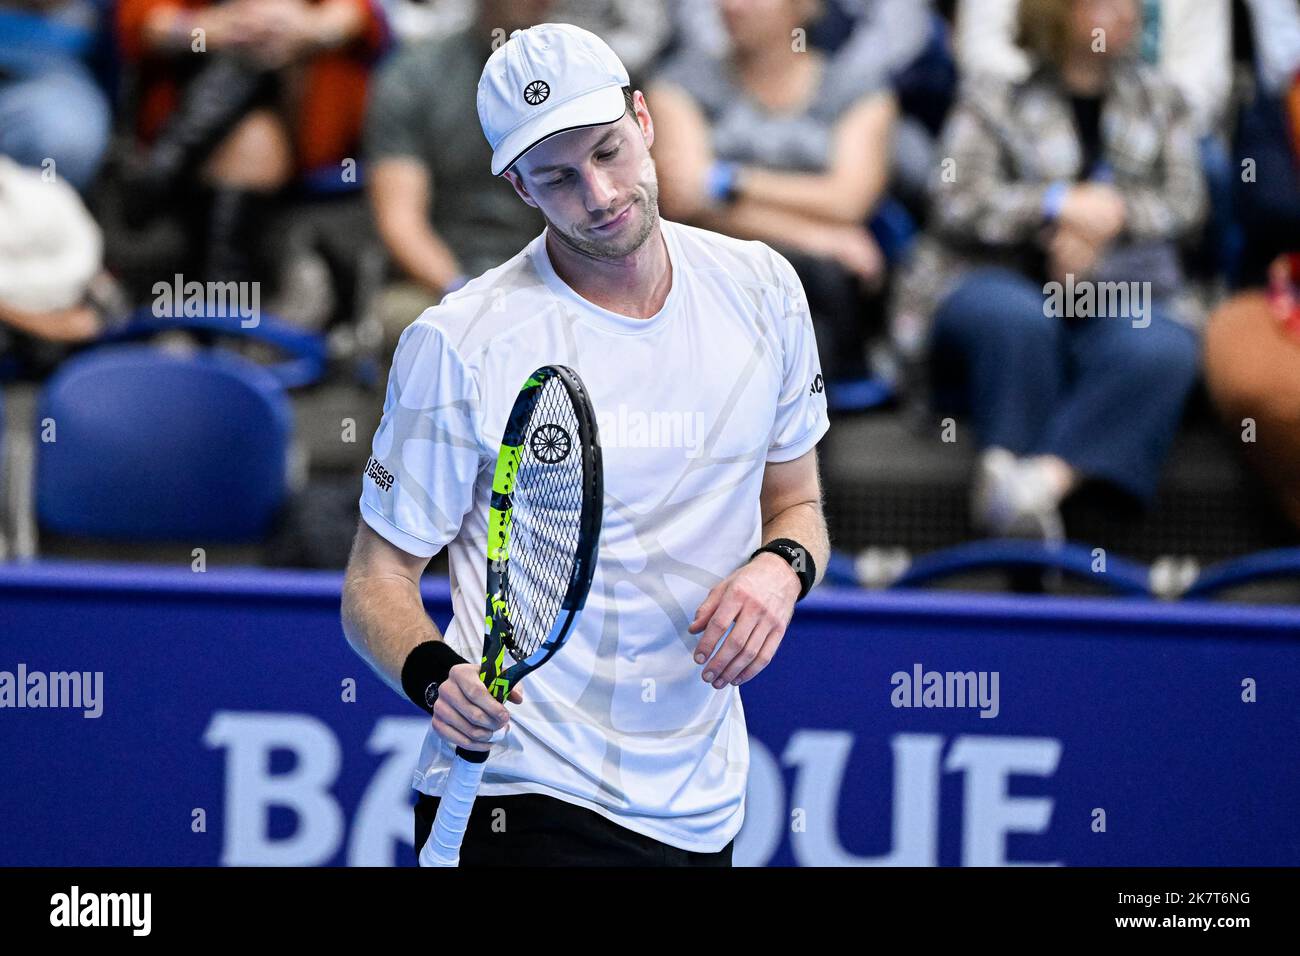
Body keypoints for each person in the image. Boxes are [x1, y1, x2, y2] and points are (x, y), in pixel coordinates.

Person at [341, 22, 831, 866]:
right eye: (559, 177)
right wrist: (432, 674)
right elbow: (375, 582)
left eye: (608, 152)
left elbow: (798, 504)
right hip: (523, 786)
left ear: (644, 119)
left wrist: (779, 570)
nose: (600, 193)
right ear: (520, 191)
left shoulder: (765, 290)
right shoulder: (458, 341)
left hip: (701, 797)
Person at [891, 0, 1205, 540]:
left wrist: (1113, 218)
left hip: (1113, 288)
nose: (1126, 13)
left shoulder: (1162, 100)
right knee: (1017, 318)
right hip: (994, 277)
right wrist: (1056, 207)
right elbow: (954, 199)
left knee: (1163, 346)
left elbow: (1187, 204)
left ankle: (1030, 485)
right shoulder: (993, 96)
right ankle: (1023, 501)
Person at [647, 0, 897, 384]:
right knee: (792, 285)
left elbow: (848, 200)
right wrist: (814, 235)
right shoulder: (679, 82)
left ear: (803, 7)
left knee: (808, 294)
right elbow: (681, 198)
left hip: (826, 287)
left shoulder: (856, 88)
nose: (731, 7)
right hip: (716, 267)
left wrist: (727, 181)